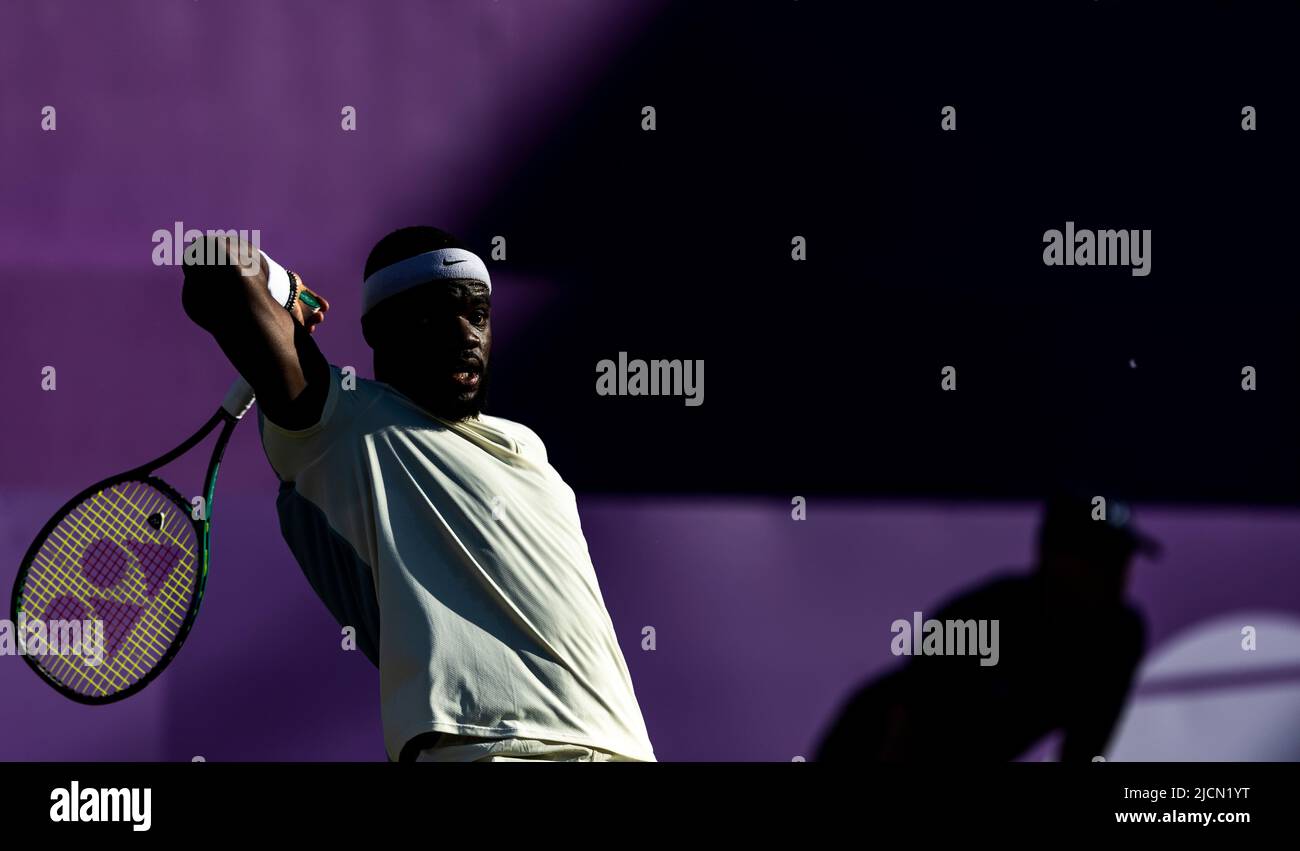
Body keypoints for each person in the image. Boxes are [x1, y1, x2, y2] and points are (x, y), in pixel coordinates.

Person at [181, 226, 655, 762]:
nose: (466, 336)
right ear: (382, 333)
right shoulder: (342, 424)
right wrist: (280, 284)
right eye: (435, 316)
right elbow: (214, 263)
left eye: (477, 315)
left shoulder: (528, 448)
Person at [816, 494, 1157, 762]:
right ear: (1053, 558)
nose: (1117, 575)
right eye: (1100, 559)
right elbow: (906, 734)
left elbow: (1085, 749)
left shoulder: (1120, 637)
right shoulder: (974, 619)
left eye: (1122, 560)